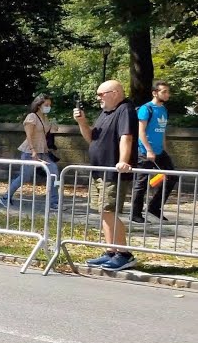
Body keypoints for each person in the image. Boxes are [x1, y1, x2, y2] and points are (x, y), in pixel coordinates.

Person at [74, 80, 138, 271]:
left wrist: (123, 161)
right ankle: (111, 251)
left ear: (116, 93)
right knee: (103, 211)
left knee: (109, 211)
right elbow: (91, 137)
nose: (98, 98)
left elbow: (126, 137)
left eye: (101, 94)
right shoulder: (105, 112)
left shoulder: (125, 109)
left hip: (113, 171)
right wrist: (82, 122)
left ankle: (124, 254)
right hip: (99, 170)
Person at [0, 94, 59, 209]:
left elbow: (48, 132)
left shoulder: (45, 118)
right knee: (24, 177)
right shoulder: (32, 117)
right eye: (46, 105)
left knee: (54, 173)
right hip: (30, 152)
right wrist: (33, 150)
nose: (48, 107)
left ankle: (54, 202)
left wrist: (53, 126)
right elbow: (29, 135)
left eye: (50, 105)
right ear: (39, 105)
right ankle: (5, 197)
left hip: (43, 151)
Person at [130, 82, 178, 224]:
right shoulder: (146, 109)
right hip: (145, 152)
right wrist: (149, 150)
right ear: (155, 93)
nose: (167, 94)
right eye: (164, 91)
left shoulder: (163, 109)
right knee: (142, 182)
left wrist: (164, 149)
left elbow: (162, 131)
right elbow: (141, 132)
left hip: (159, 151)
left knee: (172, 177)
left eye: (168, 92)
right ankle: (135, 213)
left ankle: (154, 207)